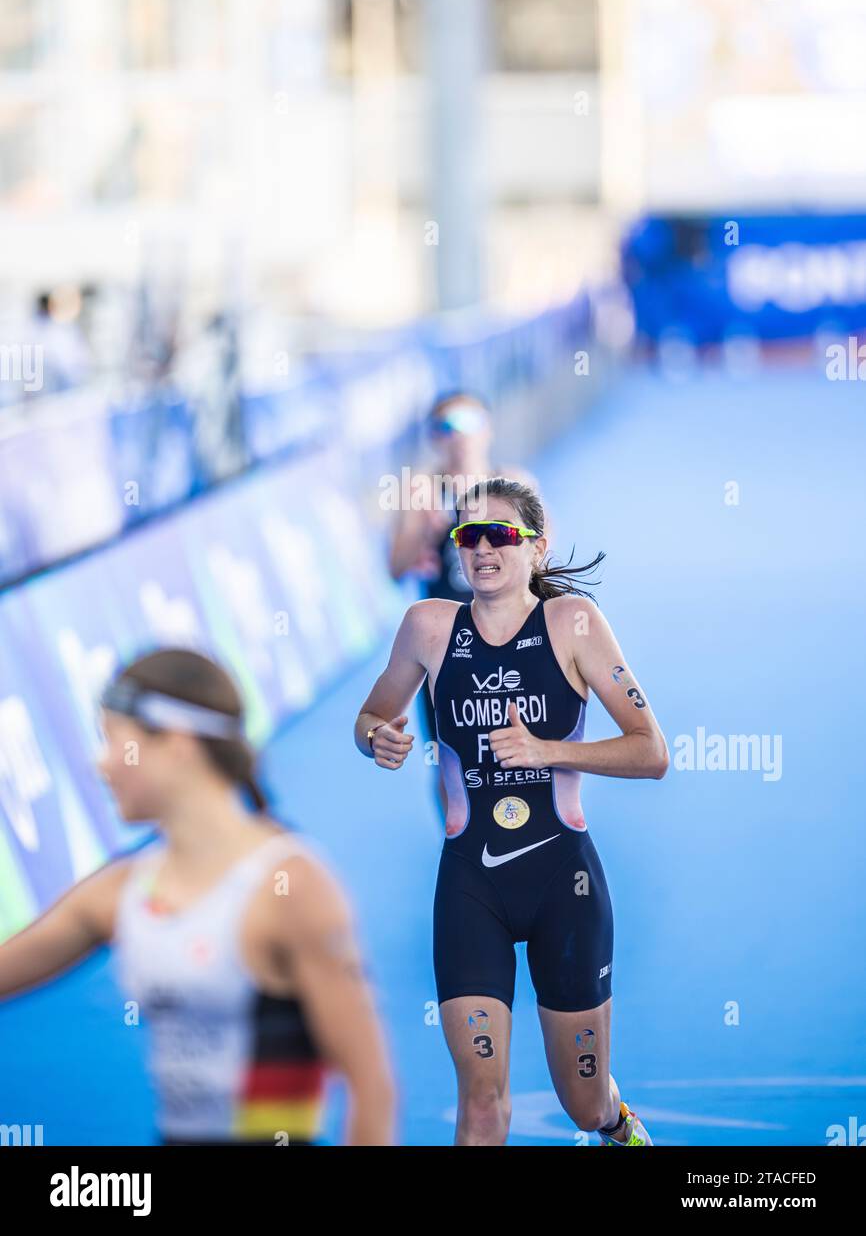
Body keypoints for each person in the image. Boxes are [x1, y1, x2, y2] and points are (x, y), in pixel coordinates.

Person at [356, 477, 668, 1146]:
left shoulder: (574, 623)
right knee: (481, 1103)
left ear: (536, 547)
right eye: (469, 536)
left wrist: (546, 749)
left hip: (566, 884)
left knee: (584, 1105)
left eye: (501, 534)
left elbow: (653, 753)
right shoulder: (429, 627)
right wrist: (376, 737)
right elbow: (371, 714)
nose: (483, 549)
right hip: (473, 886)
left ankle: (620, 1126)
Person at [0, 648, 395, 1146]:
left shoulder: (289, 887)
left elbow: (372, 1087)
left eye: (113, 742)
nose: (101, 766)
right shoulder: (120, 891)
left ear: (178, 744)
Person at [388, 393, 535, 813]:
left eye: (469, 421)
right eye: (448, 426)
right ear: (435, 438)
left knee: (523, 749)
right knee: (448, 759)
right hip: (447, 646)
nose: (461, 435)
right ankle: (458, 845)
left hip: (513, 639)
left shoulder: (514, 483)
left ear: (487, 426)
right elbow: (395, 568)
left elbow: (547, 557)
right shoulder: (422, 491)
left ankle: (522, 837)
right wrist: (422, 529)